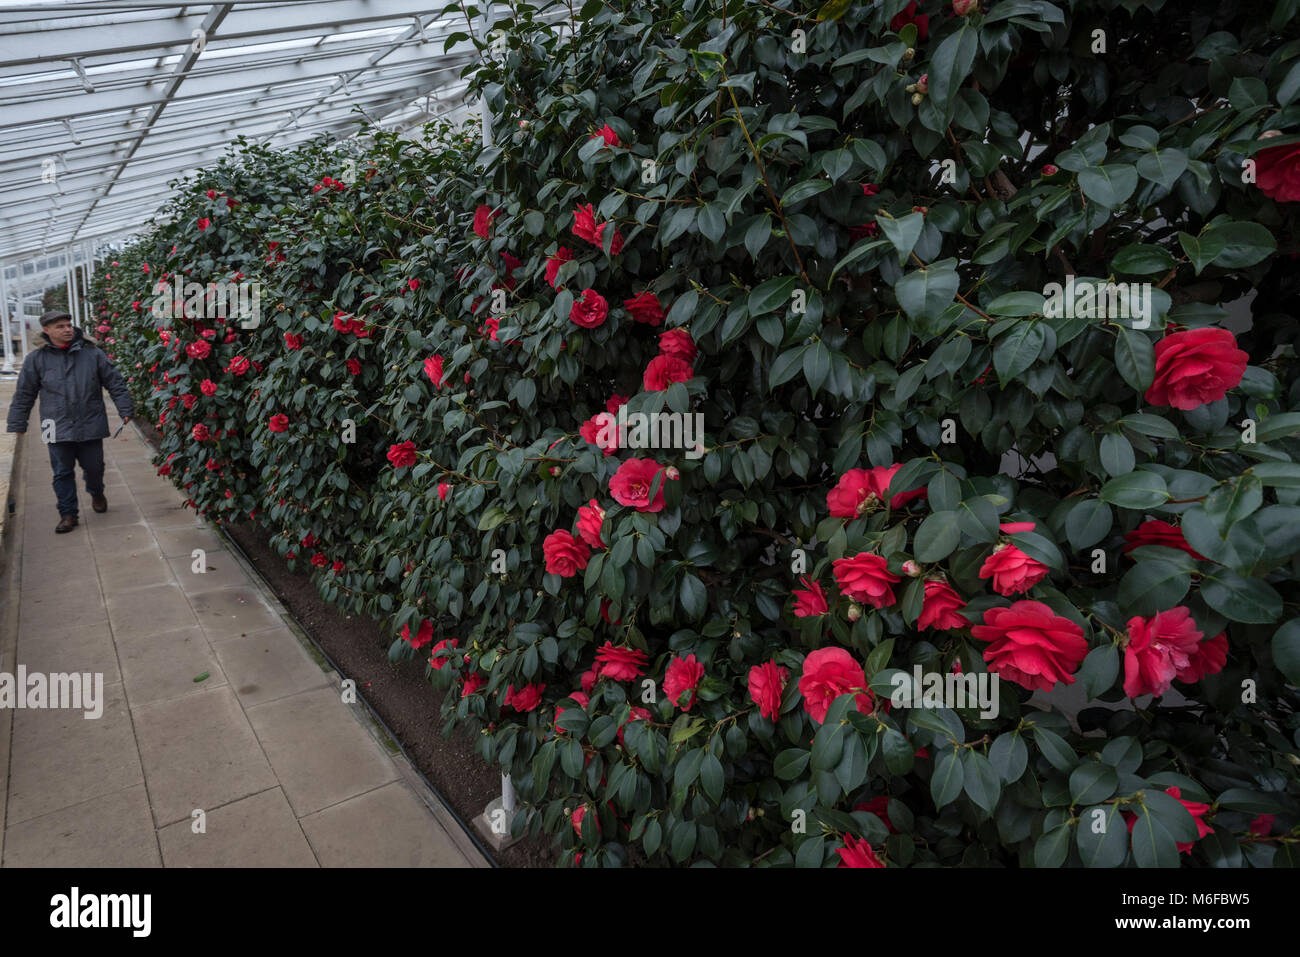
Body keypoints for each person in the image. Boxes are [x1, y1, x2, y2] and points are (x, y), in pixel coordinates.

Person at [5, 310, 134, 533]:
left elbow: (115, 381)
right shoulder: (36, 360)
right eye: (60, 326)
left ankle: (97, 492)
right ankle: (68, 514)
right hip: (53, 424)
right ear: (46, 330)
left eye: (68, 325)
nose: (67, 329)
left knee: (94, 468)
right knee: (61, 472)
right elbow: (24, 394)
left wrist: (125, 408)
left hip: (90, 421)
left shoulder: (92, 354)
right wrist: (18, 423)